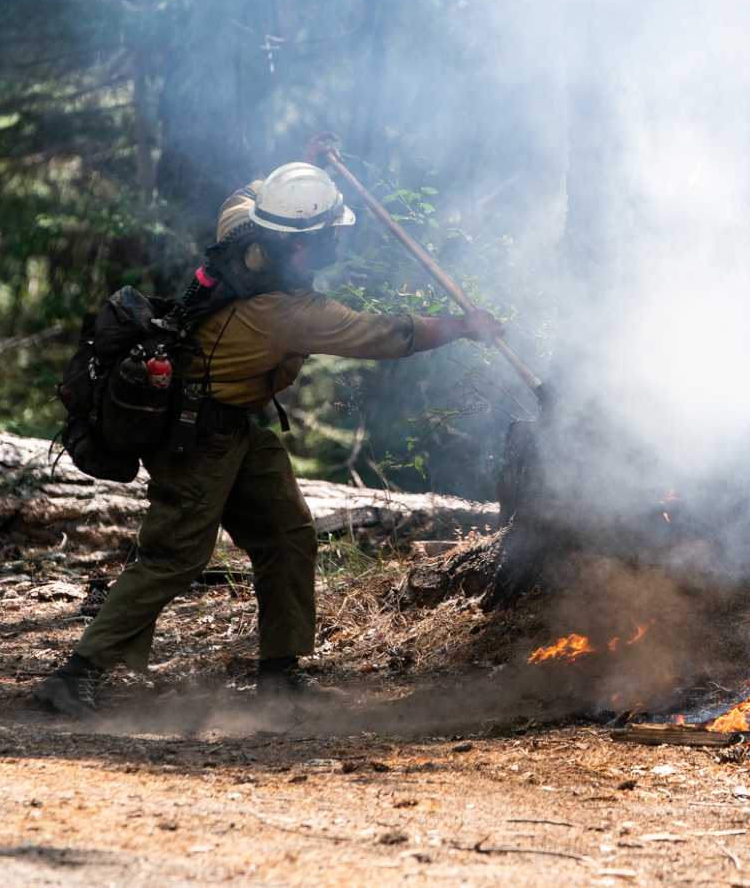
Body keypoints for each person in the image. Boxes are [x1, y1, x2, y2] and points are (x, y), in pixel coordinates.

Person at [36, 144, 503, 714]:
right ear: (303, 243)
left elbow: (255, 192)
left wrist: (311, 167)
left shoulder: (243, 225)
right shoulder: (289, 313)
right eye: (329, 230)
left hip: (233, 429)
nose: (337, 239)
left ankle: (280, 675)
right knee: (173, 558)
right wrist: (461, 326)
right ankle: (76, 673)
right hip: (195, 439)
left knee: (285, 534)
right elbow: (390, 335)